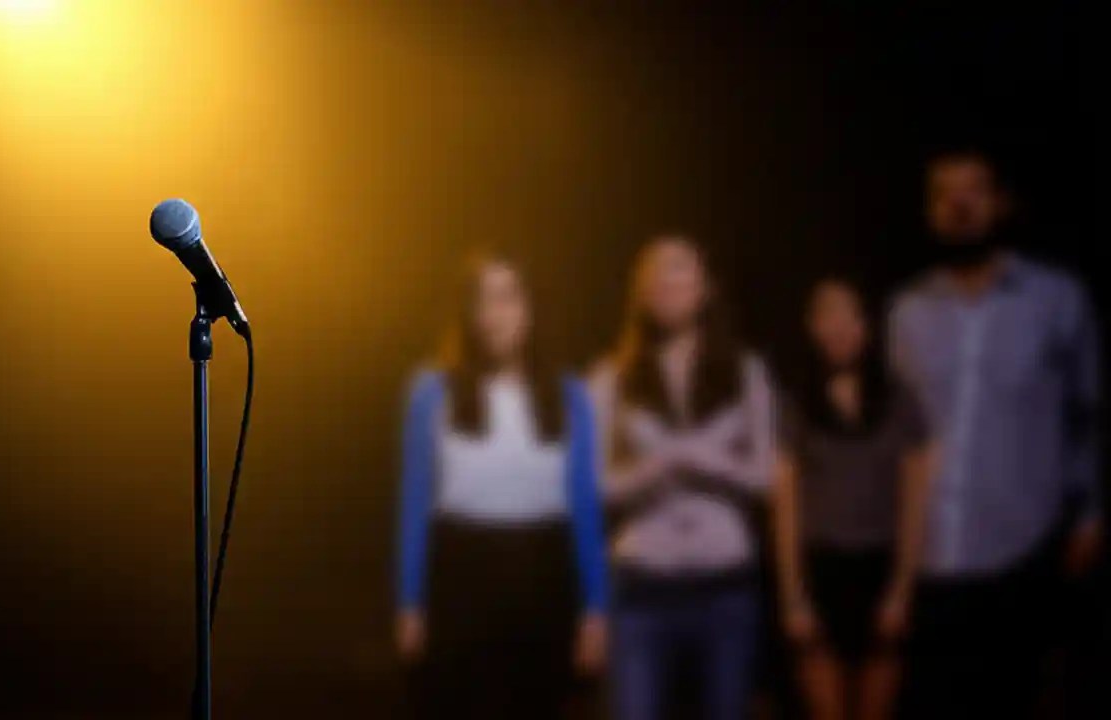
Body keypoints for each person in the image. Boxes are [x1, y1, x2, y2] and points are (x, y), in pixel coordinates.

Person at [889, 149, 1103, 719]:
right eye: (943, 193)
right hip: (925, 565)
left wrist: (1090, 514)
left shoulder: (1057, 299)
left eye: (974, 189)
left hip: (1022, 556)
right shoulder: (904, 312)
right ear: (930, 211)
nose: (958, 204)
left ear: (1001, 203)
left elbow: (1090, 415)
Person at [393, 251, 608, 720]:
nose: (495, 313)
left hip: (543, 575)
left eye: (508, 297)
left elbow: (585, 508)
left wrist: (596, 608)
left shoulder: (569, 393)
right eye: (483, 299)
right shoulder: (432, 390)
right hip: (461, 576)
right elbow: (414, 504)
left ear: (531, 308)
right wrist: (409, 603)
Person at [589, 234, 776, 720]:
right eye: (654, 272)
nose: (666, 280)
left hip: (725, 590)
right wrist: (659, 465)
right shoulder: (611, 376)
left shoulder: (746, 370)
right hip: (642, 591)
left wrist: (703, 458)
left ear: (704, 287)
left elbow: (765, 478)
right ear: (641, 293)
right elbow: (593, 487)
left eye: (679, 268)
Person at [773, 278, 933, 720]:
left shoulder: (902, 400)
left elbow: (915, 503)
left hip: (882, 573)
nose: (838, 325)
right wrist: (793, 598)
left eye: (850, 313)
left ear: (867, 325)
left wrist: (901, 591)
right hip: (819, 574)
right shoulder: (795, 404)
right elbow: (785, 509)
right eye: (826, 313)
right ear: (811, 327)